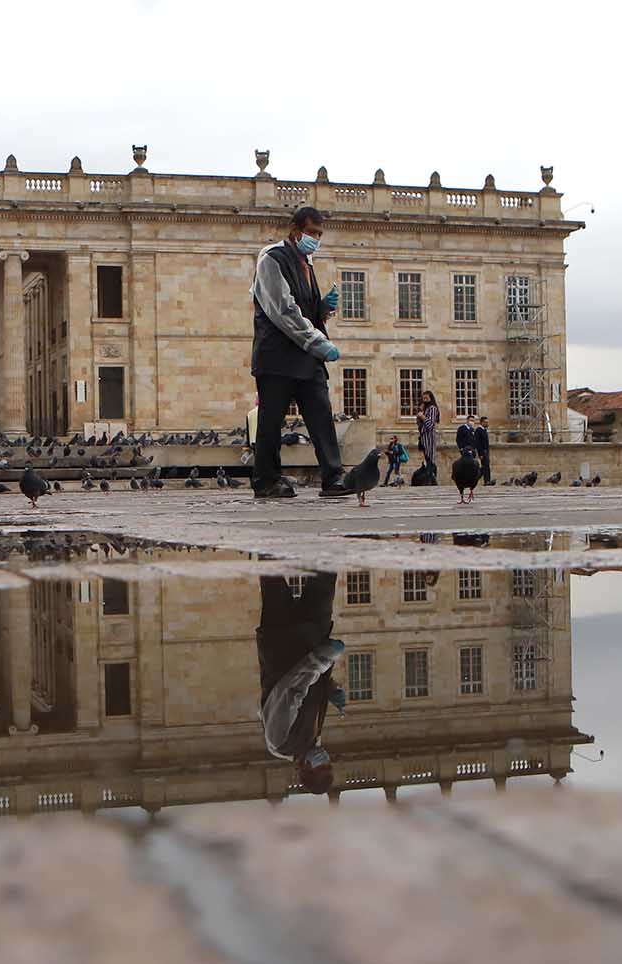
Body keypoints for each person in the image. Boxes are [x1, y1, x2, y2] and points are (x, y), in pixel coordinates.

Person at [248, 206, 351, 499]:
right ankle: (267, 481)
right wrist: (317, 342)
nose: (315, 239)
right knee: (271, 422)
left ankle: (333, 477)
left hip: (306, 356)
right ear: (294, 230)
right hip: (278, 356)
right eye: (311, 233)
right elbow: (282, 310)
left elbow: (303, 308)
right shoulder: (271, 259)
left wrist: (321, 308)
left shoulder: (306, 262)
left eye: (319, 234)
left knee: (321, 414)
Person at [256, 572, 346, 795]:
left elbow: (290, 689)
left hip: (282, 639)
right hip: (311, 635)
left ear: (304, 769)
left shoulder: (280, 742)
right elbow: (309, 692)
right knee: (326, 573)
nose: (325, 760)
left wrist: (321, 658)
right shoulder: (312, 740)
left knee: (272, 572)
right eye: (328, 765)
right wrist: (330, 689)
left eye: (321, 766)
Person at [417, 391, 440, 480]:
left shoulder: (432, 409)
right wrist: (421, 412)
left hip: (429, 436)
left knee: (430, 458)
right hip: (423, 436)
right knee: (426, 458)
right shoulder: (425, 409)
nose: (425, 400)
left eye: (427, 398)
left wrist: (422, 416)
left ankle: (432, 478)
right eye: (423, 399)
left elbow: (430, 424)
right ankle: (428, 477)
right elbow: (419, 425)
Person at [476, 415, 493, 485]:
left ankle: (488, 480)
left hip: (486, 451)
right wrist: (480, 454)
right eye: (485, 422)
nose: (487, 424)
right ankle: (484, 480)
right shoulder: (478, 430)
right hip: (483, 452)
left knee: (486, 467)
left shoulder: (484, 430)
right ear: (481, 423)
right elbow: (478, 443)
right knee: (484, 467)